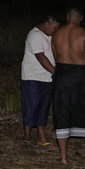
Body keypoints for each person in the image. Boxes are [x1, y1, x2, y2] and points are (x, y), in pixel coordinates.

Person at [50, 7, 85, 163]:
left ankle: (63, 157)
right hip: (80, 75)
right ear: (81, 18)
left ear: (67, 17)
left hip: (62, 74)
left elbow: (56, 57)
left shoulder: (56, 34)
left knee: (61, 112)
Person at [21, 15, 59, 145]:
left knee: (44, 106)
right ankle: (26, 135)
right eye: (54, 28)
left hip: (46, 78)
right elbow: (41, 57)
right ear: (47, 24)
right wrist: (57, 73)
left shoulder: (49, 35)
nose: (56, 30)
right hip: (33, 77)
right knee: (31, 105)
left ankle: (41, 138)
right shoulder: (34, 35)